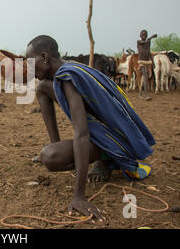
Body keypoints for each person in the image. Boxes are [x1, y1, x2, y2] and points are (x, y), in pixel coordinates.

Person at [26, 35, 155, 221]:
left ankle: (107, 156)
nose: (30, 69)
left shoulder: (67, 79)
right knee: (42, 87)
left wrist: (79, 197)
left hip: (115, 139)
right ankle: (59, 144)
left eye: (31, 62)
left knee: (50, 157)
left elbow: (82, 134)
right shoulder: (70, 68)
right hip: (109, 131)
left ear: (45, 57)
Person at [137, 30, 157, 100]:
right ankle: (146, 95)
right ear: (140, 36)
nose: (144, 36)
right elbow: (144, 42)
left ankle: (140, 94)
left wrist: (153, 62)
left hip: (147, 62)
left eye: (145, 35)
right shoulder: (139, 42)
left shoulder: (148, 43)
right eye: (142, 35)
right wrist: (151, 37)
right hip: (141, 62)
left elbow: (149, 52)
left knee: (144, 78)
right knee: (145, 77)